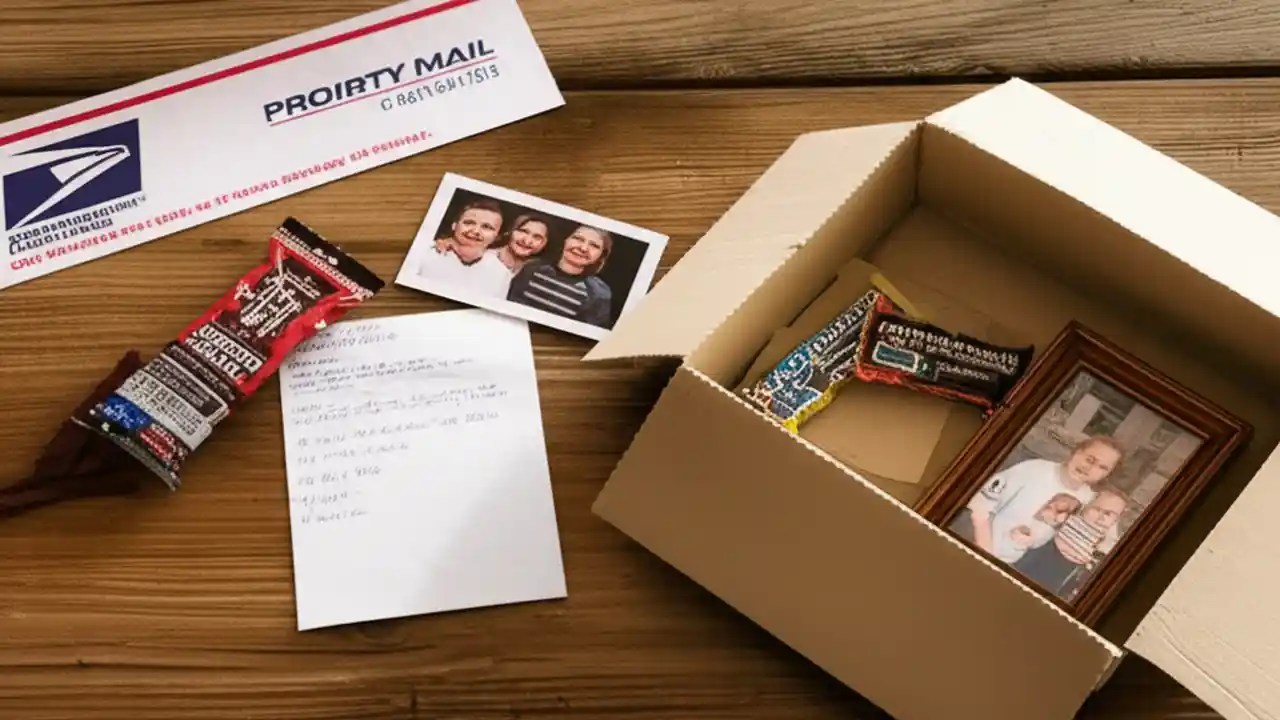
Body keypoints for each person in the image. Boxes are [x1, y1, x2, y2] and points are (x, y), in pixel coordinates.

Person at [951, 435, 1124, 561]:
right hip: (971, 547)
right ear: (1077, 451)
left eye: (1102, 467)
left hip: (1010, 562)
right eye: (1090, 459)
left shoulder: (1088, 498)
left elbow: (1109, 535)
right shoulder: (1033, 470)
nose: (1090, 468)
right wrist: (985, 555)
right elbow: (980, 509)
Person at [1014, 488, 1129, 599]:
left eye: (1109, 514)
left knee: (1045, 588)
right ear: (1089, 505)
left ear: (1116, 520)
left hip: (1069, 566)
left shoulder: (1105, 533)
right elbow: (1055, 519)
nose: (1101, 516)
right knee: (1022, 569)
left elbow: (1108, 548)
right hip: (1050, 550)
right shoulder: (1077, 514)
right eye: (1097, 509)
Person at [506, 225, 615, 328]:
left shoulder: (599, 293)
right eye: (578, 239)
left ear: (601, 255)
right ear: (565, 240)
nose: (583, 248)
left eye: (594, 246)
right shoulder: (532, 268)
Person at [416, 198, 512, 298]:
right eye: (469, 223)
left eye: (486, 227)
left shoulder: (501, 274)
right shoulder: (425, 252)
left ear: (495, 237)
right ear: (454, 225)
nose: (475, 231)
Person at [991, 492, 1082, 564]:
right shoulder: (1033, 507)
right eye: (1051, 502)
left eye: (1058, 509)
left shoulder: (1043, 531)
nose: (1052, 504)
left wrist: (1022, 536)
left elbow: (1027, 539)